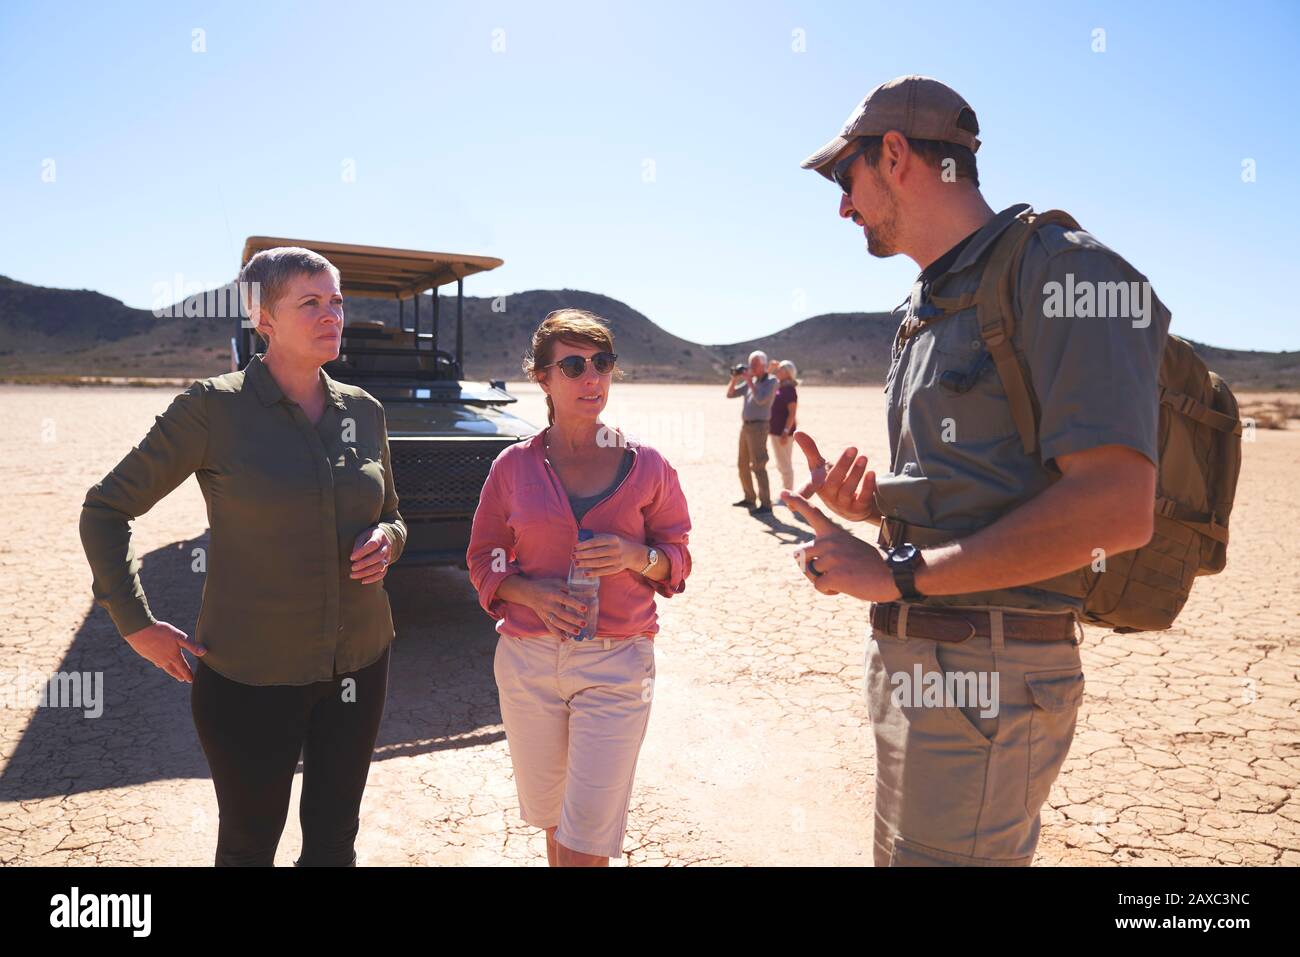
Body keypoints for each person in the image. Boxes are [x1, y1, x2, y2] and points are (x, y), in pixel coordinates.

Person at [785, 75, 1170, 866]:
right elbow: (987, 486)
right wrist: (876, 508)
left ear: (895, 155)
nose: (842, 206)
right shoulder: (928, 305)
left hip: (986, 676)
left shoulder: (1069, 276)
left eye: (844, 177)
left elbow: (1117, 508)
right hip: (920, 663)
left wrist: (898, 573)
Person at [79, 247, 406, 866]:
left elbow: (392, 514)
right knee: (248, 849)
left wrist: (387, 541)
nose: (331, 314)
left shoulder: (364, 411)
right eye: (309, 302)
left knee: (335, 843)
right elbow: (105, 509)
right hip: (251, 679)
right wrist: (135, 623)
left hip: (359, 665)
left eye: (335, 300)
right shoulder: (214, 408)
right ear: (263, 318)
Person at [467, 308, 692, 866]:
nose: (591, 377)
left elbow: (678, 560)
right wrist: (530, 593)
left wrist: (637, 557)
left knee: (586, 840)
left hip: (617, 664)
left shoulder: (648, 466)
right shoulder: (512, 467)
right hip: (528, 661)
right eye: (572, 365)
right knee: (554, 822)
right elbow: (483, 558)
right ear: (542, 378)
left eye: (602, 363)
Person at [725, 350, 777, 514]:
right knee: (742, 464)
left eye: (755, 364)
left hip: (759, 427)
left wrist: (748, 380)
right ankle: (749, 498)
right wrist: (734, 378)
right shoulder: (751, 381)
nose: (751, 367)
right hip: (746, 427)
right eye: (750, 364)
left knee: (759, 465)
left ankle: (766, 504)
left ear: (763, 365)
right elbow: (730, 394)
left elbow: (760, 399)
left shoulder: (771, 381)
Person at [769, 360, 800, 495]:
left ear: (788, 373)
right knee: (782, 464)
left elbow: (792, 413)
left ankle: (788, 494)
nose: (778, 371)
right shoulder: (780, 387)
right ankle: (787, 492)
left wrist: (785, 431)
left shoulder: (789, 390)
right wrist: (772, 368)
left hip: (783, 432)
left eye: (781, 369)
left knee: (785, 465)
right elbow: (767, 379)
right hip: (775, 431)